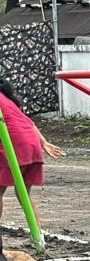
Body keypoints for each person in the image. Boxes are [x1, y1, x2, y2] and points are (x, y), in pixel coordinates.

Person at [0, 76, 62, 227]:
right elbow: (29, 122)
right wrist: (44, 143)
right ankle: (38, 236)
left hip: (16, 146)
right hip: (32, 145)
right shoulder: (8, 100)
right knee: (24, 195)